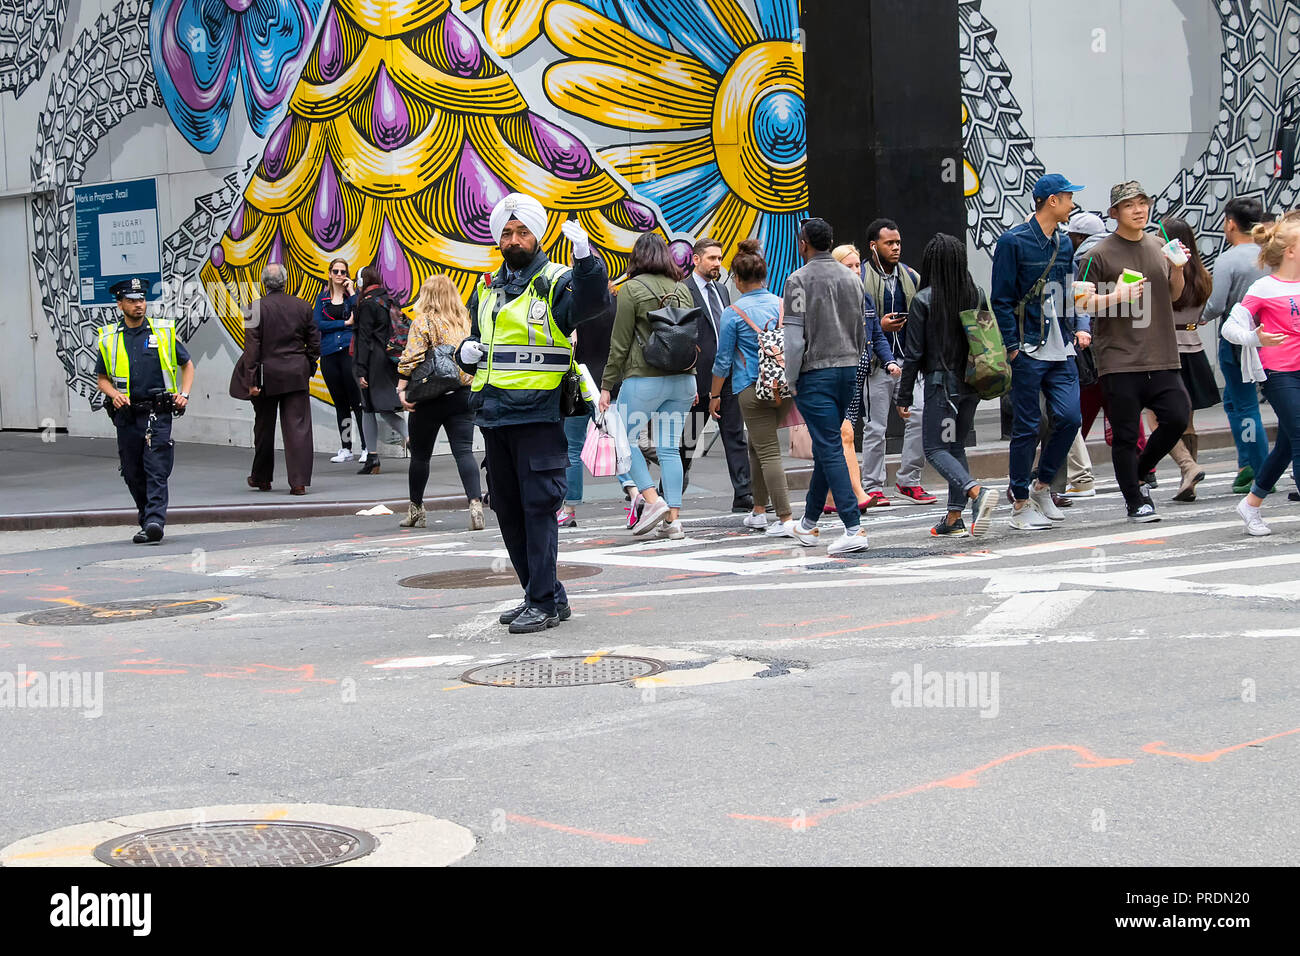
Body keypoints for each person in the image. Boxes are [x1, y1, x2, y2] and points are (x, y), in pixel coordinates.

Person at [457, 193, 608, 633]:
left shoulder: (557, 281)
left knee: (539, 506)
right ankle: (543, 595)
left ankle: (541, 601)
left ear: (537, 235)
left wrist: (587, 260)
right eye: (507, 232)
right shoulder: (486, 288)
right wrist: (463, 354)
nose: (514, 238)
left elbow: (591, 304)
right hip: (494, 414)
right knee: (506, 507)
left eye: (523, 231)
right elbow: (478, 346)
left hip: (540, 414)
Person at [1079, 181, 1191, 523]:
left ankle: (1139, 472)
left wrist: (1177, 268)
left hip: (1162, 353)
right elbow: (1080, 301)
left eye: (1143, 203)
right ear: (1114, 213)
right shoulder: (1096, 255)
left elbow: (1174, 296)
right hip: (1118, 358)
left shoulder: (1159, 245)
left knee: (1177, 416)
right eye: (1130, 205)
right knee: (1125, 434)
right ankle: (1135, 499)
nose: (1139, 210)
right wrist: (1117, 297)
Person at [991, 172, 1087, 531]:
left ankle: (1042, 485)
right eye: (1068, 197)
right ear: (1052, 201)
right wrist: (1013, 348)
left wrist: (1081, 325)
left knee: (1071, 417)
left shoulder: (1064, 244)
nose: (1072, 204)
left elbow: (1070, 290)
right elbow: (1000, 299)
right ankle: (1019, 502)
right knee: (1027, 427)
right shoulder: (1013, 242)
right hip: (1028, 346)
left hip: (1060, 345)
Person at [896, 235, 999, 536]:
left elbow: (913, 354)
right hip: (971, 386)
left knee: (936, 448)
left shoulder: (923, 299)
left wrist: (903, 395)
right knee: (955, 446)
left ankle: (976, 492)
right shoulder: (976, 293)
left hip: (942, 388)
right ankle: (954, 519)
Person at [707, 239, 807, 541]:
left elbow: (723, 361)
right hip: (784, 387)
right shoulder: (781, 303)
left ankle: (786, 518)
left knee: (767, 451)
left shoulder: (733, 312)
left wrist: (714, 396)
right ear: (763, 276)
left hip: (751, 389)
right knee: (757, 445)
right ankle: (759, 511)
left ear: (737, 279)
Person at [783, 217, 871, 554]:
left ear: (804, 242)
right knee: (827, 444)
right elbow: (862, 328)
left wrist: (791, 378)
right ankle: (808, 523)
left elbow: (793, 338)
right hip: (849, 368)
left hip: (815, 372)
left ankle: (853, 526)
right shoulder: (852, 278)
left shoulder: (798, 280)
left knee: (829, 445)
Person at [601, 234, 697, 540]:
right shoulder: (683, 289)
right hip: (684, 380)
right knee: (670, 449)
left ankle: (652, 500)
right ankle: (674, 521)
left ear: (637, 257)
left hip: (644, 379)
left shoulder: (629, 289)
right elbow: (690, 337)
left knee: (622, 439)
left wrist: (606, 385)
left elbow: (620, 344)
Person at [95, 277, 195, 543]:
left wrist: (184, 394)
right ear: (120, 304)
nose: (139, 305)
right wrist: (114, 394)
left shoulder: (162, 333)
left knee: (156, 467)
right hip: (127, 416)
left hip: (157, 413)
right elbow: (101, 377)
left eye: (141, 300)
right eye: (132, 301)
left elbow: (187, 365)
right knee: (131, 471)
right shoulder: (108, 338)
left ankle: (155, 520)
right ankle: (146, 518)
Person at [1227, 211, 1300, 535]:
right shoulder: (1264, 288)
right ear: (1291, 251)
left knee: (1286, 444)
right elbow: (1231, 326)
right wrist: (1255, 337)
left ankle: (1251, 503)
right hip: (1278, 372)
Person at [396, 274, 484, 531]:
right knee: (464, 452)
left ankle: (416, 509)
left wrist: (401, 388)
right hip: (462, 395)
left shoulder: (423, 321)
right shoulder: (464, 321)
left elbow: (412, 358)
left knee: (421, 457)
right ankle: (475, 503)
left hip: (429, 397)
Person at [859, 217, 935, 504]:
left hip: (908, 362)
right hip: (877, 365)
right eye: (888, 243)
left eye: (898, 242)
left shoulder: (910, 276)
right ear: (873, 245)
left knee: (920, 415)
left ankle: (908, 480)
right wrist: (879, 325)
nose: (895, 247)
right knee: (876, 427)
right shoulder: (860, 277)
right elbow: (855, 322)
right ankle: (872, 486)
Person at [1204, 196, 1271, 494]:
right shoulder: (1271, 254)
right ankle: (1247, 463)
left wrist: (1197, 318)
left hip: (1237, 342)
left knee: (1244, 407)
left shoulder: (1228, 259)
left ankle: (1259, 471)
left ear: (1230, 223)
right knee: (1234, 402)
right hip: (1273, 338)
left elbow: (1217, 304)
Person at [237, 263, 320, 495]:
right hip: (296, 374)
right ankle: (299, 482)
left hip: (266, 376)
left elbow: (252, 348)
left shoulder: (255, 308)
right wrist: (308, 366)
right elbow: (314, 343)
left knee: (264, 427)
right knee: (298, 428)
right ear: (285, 281)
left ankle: (262, 478)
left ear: (264, 283)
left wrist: (251, 380)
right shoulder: (303, 306)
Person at [1148, 217, 1216, 502]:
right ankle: (1188, 480)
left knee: (1155, 418)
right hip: (1195, 348)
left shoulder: (1168, 272)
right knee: (1186, 421)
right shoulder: (1203, 275)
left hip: (1167, 349)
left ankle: (1188, 467)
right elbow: (1202, 316)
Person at [557, 283, 636, 528]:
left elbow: (569, 346)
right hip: (609, 382)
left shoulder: (575, 307)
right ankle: (635, 493)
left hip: (580, 383)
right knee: (615, 443)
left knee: (573, 447)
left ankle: (569, 508)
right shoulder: (615, 304)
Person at [682, 237, 752, 511]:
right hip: (698, 378)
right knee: (688, 441)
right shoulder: (684, 290)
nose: (717, 264)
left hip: (728, 376)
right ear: (696, 259)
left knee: (734, 435)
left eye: (719, 258)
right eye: (711, 258)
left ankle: (743, 494)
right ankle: (669, 491)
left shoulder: (722, 290)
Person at [838, 243, 898, 509]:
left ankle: (832, 496)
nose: (855, 271)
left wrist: (890, 362)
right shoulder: (833, 298)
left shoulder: (865, 297)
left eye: (857, 266)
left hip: (860, 373)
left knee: (844, 432)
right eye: (848, 266)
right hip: (839, 374)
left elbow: (877, 335)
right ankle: (857, 492)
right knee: (845, 433)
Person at [353, 265, 408, 474]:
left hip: (371, 361)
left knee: (367, 406)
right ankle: (410, 438)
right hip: (388, 359)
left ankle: (372, 458)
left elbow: (364, 338)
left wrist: (360, 369)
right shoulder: (387, 300)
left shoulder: (367, 305)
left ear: (362, 282)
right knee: (384, 408)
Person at [312, 258, 368, 463]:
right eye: (335, 271)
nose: (339, 274)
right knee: (340, 403)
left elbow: (360, 316)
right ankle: (346, 448)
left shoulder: (352, 297)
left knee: (357, 402)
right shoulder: (322, 298)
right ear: (329, 273)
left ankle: (365, 446)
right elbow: (317, 323)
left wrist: (352, 292)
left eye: (343, 271)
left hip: (348, 352)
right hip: (328, 353)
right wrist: (344, 322)